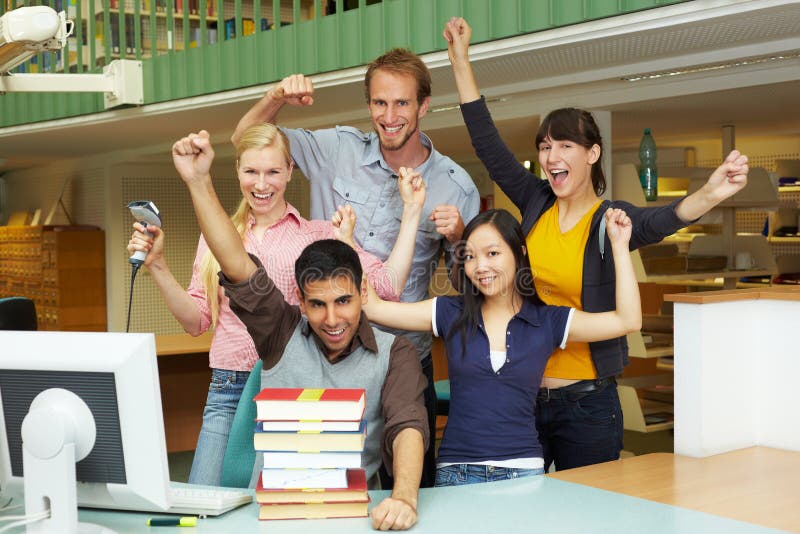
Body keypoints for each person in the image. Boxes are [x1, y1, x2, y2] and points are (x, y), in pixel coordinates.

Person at [442, 17, 750, 472]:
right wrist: (460, 61)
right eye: (545, 146)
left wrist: (712, 193)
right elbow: (487, 143)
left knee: (585, 512)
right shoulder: (535, 202)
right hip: (523, 396)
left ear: (592, 153)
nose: (551, 157)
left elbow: (661, 220)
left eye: (564, 145)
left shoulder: (609, 220)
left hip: (586, 402)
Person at [231, 48, 481, 487]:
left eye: (402, 103)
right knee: (324, 483)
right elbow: (246, 142)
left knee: (410, 480)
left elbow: (472, 286)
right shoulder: (337, 149)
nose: (390, 115)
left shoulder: (455, 185)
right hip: (326, 356)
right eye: (379, 103)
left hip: (404, 358)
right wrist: (275, 97)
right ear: (369, 104)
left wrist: (460, 240)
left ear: (423, 105)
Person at [126, 124, 426, 487]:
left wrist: (411, 213)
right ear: (237, 171)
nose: (261, 184)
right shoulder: (217, 237)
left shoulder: (316, 235)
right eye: (251, 171)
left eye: (272, 171)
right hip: (229, 388)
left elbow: (387, 287)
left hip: (291, 386)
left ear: (290, 171)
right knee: (203, 501)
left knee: (289, 501)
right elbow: (196, 321)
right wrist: (157, 267)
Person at [361, 207, 641, 486]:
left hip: (523, 473)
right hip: (456, 472)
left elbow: (627, 320)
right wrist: (346, 240)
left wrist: (619, 246)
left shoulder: (547, 320)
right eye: (470, 256)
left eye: (492, 253)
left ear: (519, 252)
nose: (480, 266)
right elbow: (373, 308)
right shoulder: (450, 312)